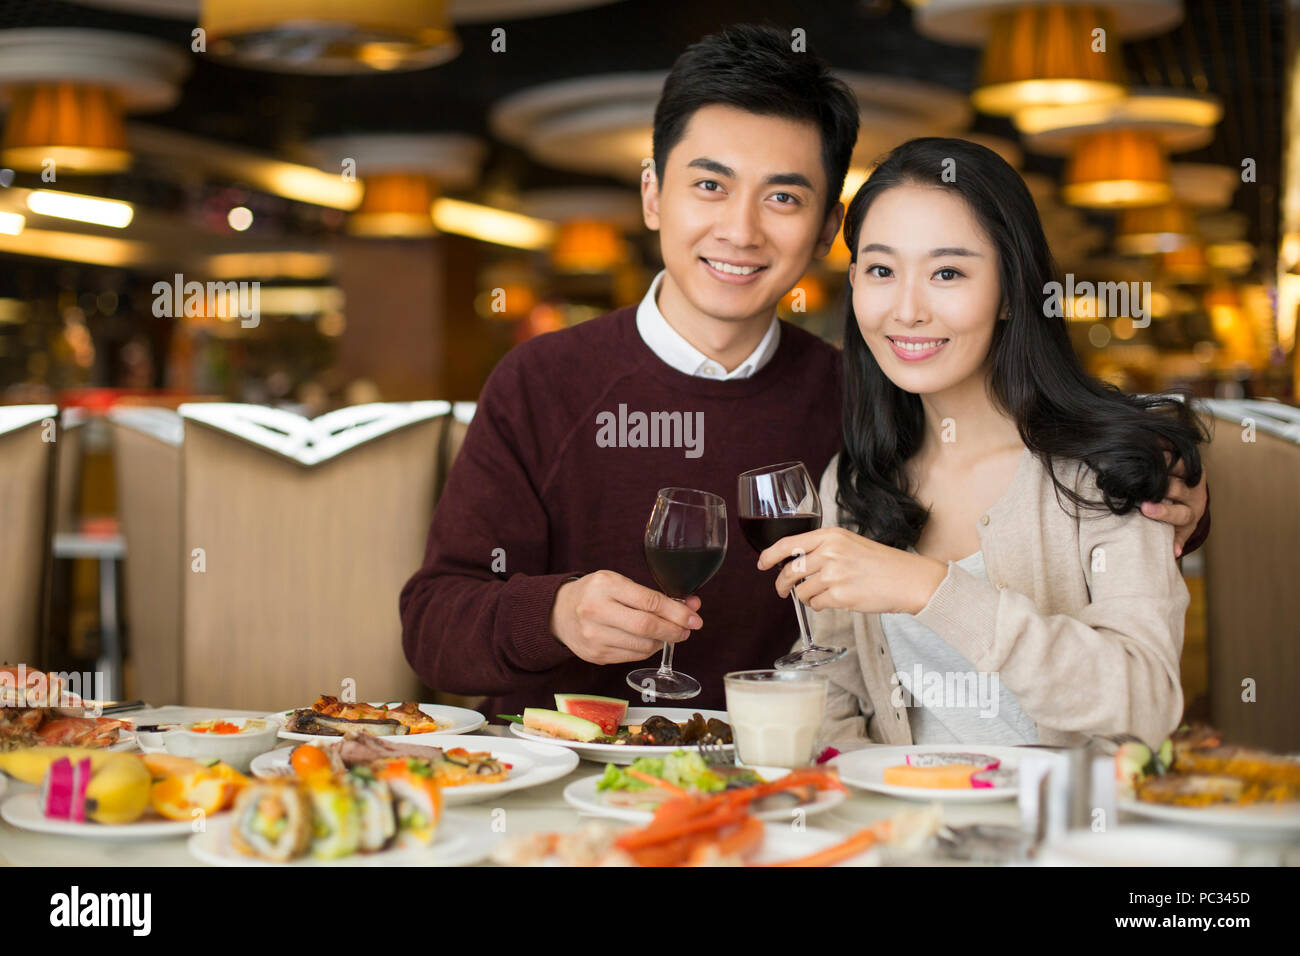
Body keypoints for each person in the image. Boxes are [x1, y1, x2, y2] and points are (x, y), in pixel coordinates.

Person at [400, 27, 1208, 721]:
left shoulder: (871, 397)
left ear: (826, 232)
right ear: (653, 196)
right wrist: (554, 614)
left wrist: (1164, 491)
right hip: (569, 786)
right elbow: (434, 623)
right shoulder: (541, 382)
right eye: (709, 186)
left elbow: (1029, 482)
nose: (740, 229)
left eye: (783, 198)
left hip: (790, 788)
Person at [756, 137, 1210, 749]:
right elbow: (833, 696)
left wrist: (930, 589)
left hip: (1065, 836)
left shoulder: (1108, 467)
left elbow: (1144, 700)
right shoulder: (857, 479)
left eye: (948, 272)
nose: (907, 309)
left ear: (1010, 292)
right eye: (881, 270)